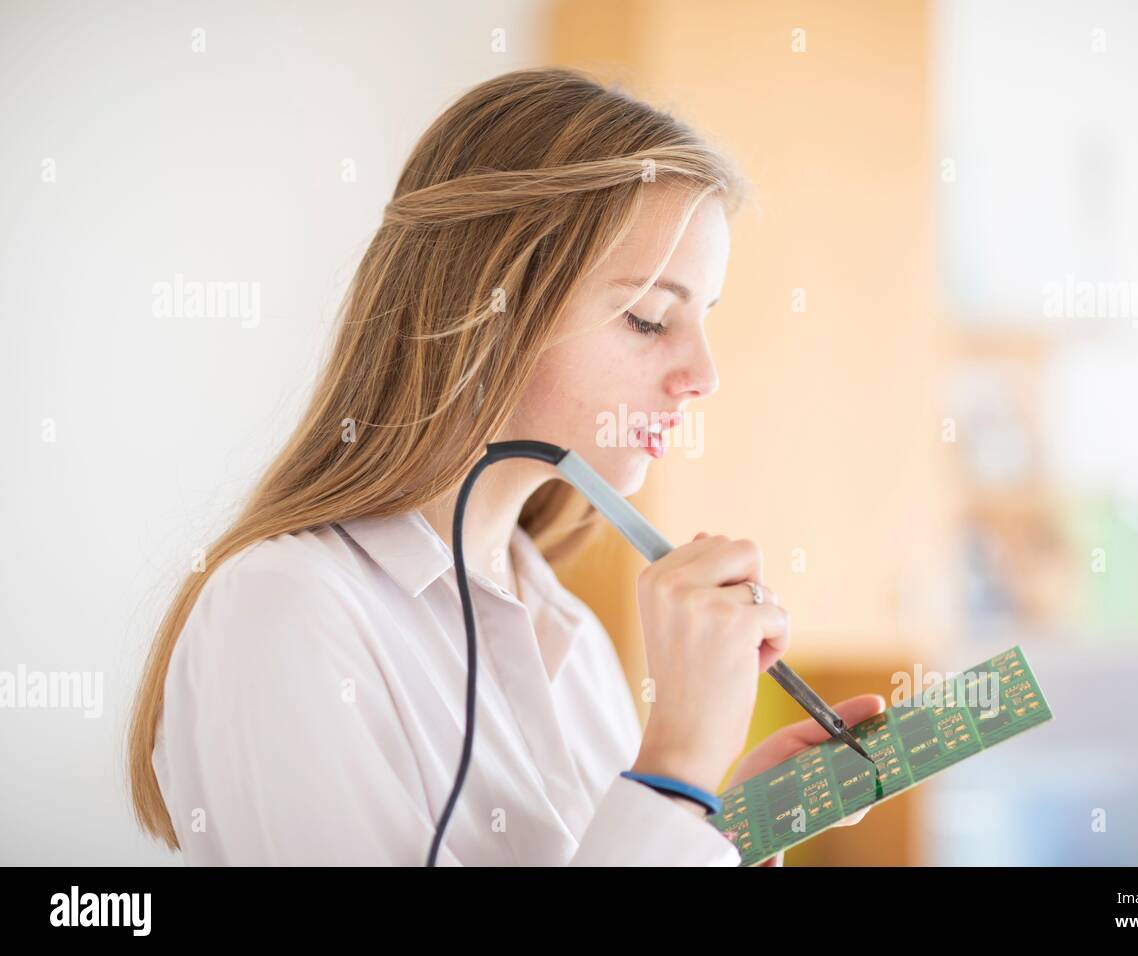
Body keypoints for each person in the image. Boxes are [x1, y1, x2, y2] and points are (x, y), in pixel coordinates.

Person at [127, 66, 883, 865]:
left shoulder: (572, 637)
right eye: (649, 318)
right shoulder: (283, 610)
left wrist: (716, 826)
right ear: (487, 306)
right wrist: (675, 769)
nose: (704, 375)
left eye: (703, 319)